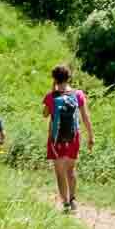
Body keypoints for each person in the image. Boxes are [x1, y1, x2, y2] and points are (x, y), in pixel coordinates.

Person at [43, 64, 92, 212]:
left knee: (60, 172)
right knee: (71, 170)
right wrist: (91, 136)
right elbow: (85, 117)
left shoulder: (51, 96)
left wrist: (53, 92)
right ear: (69, 77)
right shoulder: (78, 95)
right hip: (73, 136)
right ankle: (73, 200)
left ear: (54, 79)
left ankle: (64, 203)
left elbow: (45, 114)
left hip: (55, 138)